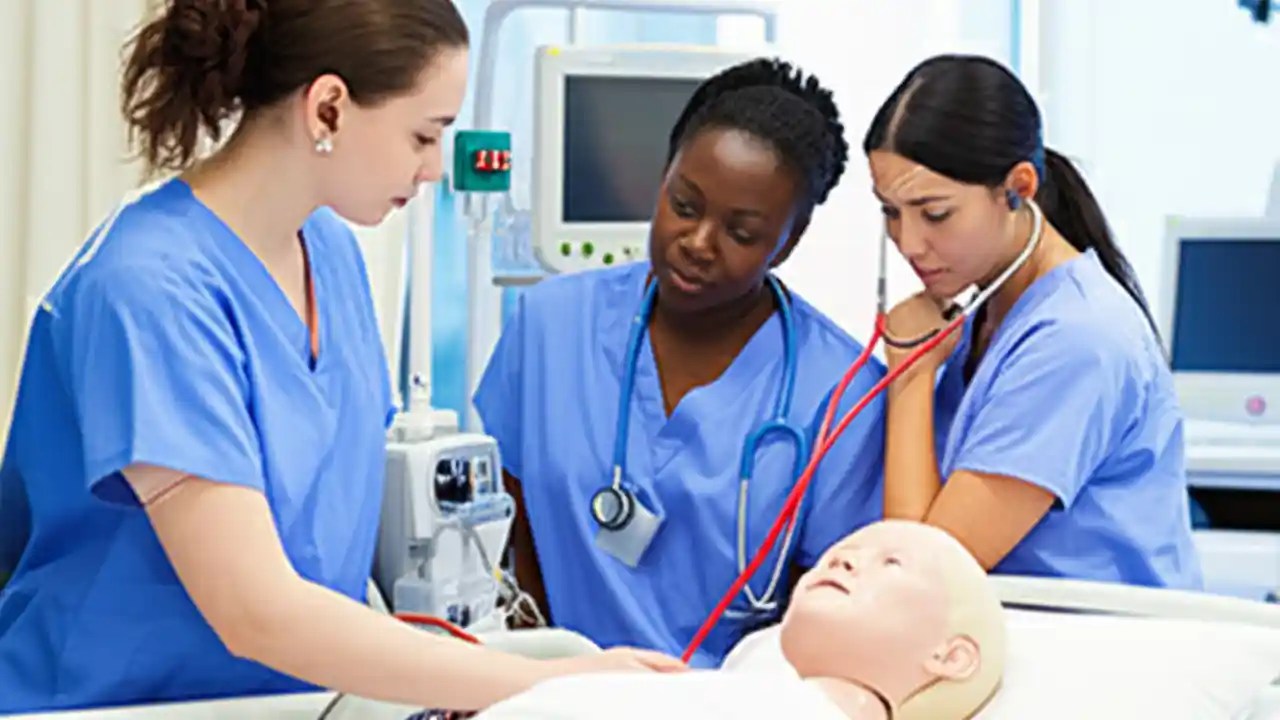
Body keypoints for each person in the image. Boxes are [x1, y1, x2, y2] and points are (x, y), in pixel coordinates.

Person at [0, 0, 683, 714]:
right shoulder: (147, 289)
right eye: (424, 135)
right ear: (327, 108)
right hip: (114, 702)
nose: (431, 171)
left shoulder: (328, 253)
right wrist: (541, 685)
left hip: (285, 697)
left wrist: (536, 667)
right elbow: (255, 611)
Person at [473, 57, 887, 669]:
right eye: (685, 205)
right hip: (555, 687)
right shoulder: (550, 325)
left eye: (742, 232)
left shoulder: (842, 393)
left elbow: (824, 607)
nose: (698, 242)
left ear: (789, 241)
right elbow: (504, 522)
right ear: (663, 179)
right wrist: (538, 665)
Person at [861, 54, 1202, 588]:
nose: (908, 243)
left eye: (935, 214)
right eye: (889, 211)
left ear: (1018, 187)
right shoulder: (990, 311)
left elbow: (917, 574)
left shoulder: (1077, 339)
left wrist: (909, 371)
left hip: (1105, 654)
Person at [471, 519, 1007, 720]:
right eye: (843, 550)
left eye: (890, 563)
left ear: (951, 656)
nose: (843, 559)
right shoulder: (735, 690)